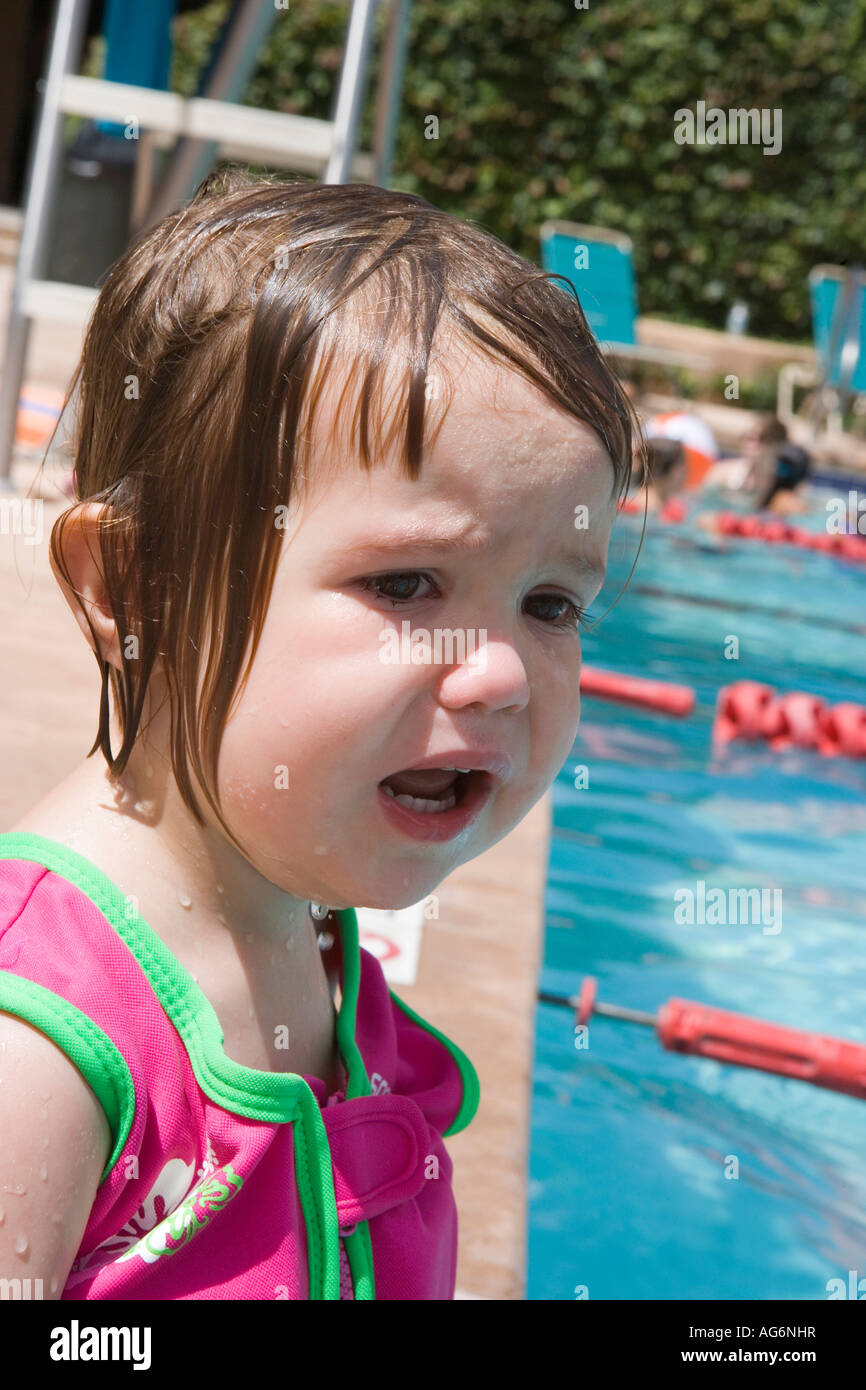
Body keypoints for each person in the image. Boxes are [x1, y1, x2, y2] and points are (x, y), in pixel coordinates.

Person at [0, 170, 636, 1300]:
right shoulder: (38, 1045)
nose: (495, 675)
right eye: (406, 582)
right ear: (138, 586)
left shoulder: (307, 921)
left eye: (550, 604)